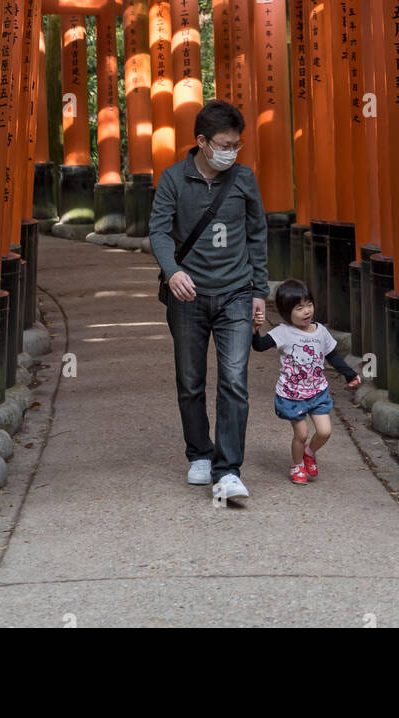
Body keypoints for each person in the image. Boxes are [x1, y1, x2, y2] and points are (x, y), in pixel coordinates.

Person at [149, 99, 268, 501]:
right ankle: (199, 453)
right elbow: (160, 232)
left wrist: (258, 292)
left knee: (235, 381)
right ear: (201, 141)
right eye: (224, 144)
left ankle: (228, 469)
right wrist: (173, 270)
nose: (231, 152)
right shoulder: (173, 179)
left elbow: (257, 236)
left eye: (236, 144)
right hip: (188, 294)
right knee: (190, 379)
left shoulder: (244, 179)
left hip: (236, 292)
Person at [252, 278, 360, 483]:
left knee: (325, 431)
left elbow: (333, 356)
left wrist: (349, 374)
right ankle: (297, 465)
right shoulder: (283, 332)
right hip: (292, 395)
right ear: (286, 312)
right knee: (301, 434)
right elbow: (259, 346)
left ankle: (309, 452)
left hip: (317, 392)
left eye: (309, 304)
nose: (307, 311)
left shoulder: (320, 331)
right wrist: (255, 329)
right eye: (299, 308)